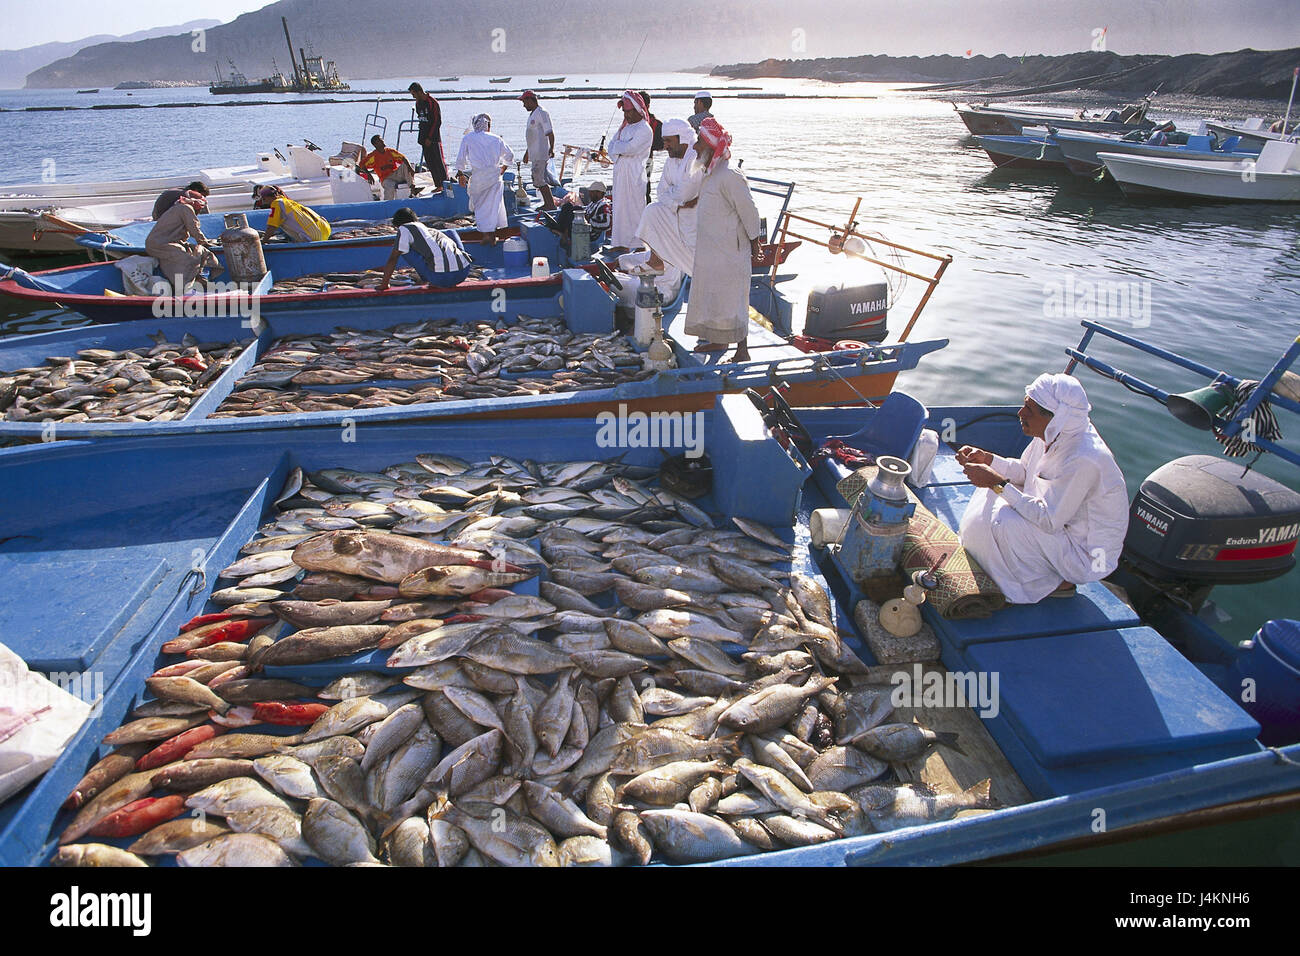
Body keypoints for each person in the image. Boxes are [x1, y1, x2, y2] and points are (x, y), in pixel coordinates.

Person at [956, 373, 1130, 604]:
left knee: (1006, 519)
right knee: (992, 491)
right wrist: (989, 460)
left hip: (1088, 555)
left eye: (1030, 409)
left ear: (1056, 418)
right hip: (1059, 525)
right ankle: (1009, 568)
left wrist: (996, 482)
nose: (1020, 413)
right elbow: (1025, 472)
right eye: (1024, 404)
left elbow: (1049, 520)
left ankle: (1049, 582)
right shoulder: (1053, 433)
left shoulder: (1085, 458)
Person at [686, 118, 763, 362]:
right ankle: (718, 342)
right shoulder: (710, 173)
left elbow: (750, 212)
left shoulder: (730, 175)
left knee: (735, 300)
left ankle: (742, 351)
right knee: (714, 297)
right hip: (712, 252)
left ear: (710, 145)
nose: (695, 147)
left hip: (731, 252)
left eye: (699, 142)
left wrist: (755, 243)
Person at [619, 118, 702, 296]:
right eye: (664, 141)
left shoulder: (695, 159)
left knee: (655, 210)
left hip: (694, 220)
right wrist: (677, 202)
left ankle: (658, 262)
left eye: (668, 141)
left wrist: (676, 197)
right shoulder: (671, 161)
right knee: (652, 209)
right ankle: (656, 260)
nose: (665, 146)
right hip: (678, 213)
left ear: (682, 139)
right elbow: (661, 191)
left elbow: (686, 193)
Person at [377, 206, 472, 291]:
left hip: (440, 278)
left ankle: (426, 279)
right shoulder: (432, 231)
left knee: (403, 249)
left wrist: (384, 284)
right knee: (451, 232)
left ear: (399, 224)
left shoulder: (404, 228)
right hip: (463, 273)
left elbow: (393, 258)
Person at [144, 189, 222, 292]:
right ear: (194, 202)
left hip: (171, 242)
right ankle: (185, 288)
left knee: (201, 253)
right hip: (160, 244)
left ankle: (200, 281)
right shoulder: (186, 208)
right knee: (188, 260)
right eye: (201, 203)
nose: (202, 206)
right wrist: (204, 242)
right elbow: (193, 228)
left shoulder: (179, 208)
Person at [604, 90, 653, 253]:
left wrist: (619, 148)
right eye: (624, 111)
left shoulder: (645, 129)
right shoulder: (624, 129)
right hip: (620, 173)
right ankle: (620, 243)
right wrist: (620, 149)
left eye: (628, 111)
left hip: (634, 174)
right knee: (619, 207)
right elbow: (611, 148)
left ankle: (638, 245)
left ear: (638, 109)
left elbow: (631, 148)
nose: (626, 115)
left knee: (634, 208)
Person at [455, 113, 514, 244]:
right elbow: (510, 155)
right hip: (494, 176)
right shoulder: (496, 139)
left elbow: (461, 158)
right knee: (493, 206)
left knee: (481, 207)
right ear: (488, 125)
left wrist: (460, 174)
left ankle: (488, 235)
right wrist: (503, 169)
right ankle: (491, 234)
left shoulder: (468, 138)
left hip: (479, 177)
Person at [520, 90, 556, 210]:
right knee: (536, 179)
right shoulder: (532, 115)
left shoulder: (542, 113)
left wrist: (552, 148)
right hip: (534, 152)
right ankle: (548, 203)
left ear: (530, 100)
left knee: (539, 179)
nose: (524, 105)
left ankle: (550, 204)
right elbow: (532, 137)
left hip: (541, 152)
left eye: (524, 102)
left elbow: (549, 132)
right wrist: (527, 153)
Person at [254, 185, 331, 242]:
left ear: (265, 197)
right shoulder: (288, 202)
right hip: (325, 231)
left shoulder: (276, 204)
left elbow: (272, 226)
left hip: (314, 236)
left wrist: (263, 241)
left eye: (263, 198)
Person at [549, 181, 612, 249]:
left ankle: (564, 234)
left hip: (590, 233)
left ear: (599, 193)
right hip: (582, 227)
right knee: (568, 206)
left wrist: (587, 220)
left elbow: (606, 224)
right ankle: (561, 230)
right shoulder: (593, 203)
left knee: (576, 211)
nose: (589, 194)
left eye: (592, 192)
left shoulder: (604, 206)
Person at [408, 82, 448, 189]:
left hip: (433, 139)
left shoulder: (432, 102)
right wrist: (423, 137)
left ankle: (445, 185)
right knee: (430, 162)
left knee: (439, 162)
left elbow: (437, 121)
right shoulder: (418, 104)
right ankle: (438, 185)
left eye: (414, 94)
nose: (413, 97)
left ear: (419, 92)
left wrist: (430, 137)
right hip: (423, 138)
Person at [360, 135, 422, 201]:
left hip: (395, 175)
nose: (383, 141)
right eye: (380, 140)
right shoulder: (373, 156)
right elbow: (361, 165)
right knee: (390, 187)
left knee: (405, 165)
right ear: (375, 144)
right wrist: (368, 174)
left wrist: (410, 168)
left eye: (382, 139)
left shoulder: (390, 151)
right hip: (385, 179)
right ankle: (387, 205)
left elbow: (403, 158)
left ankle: (413, 189)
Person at [640, 90, 663, 203]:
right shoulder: (656, 123)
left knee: (645, 188)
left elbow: (662, 144)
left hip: (647, 160)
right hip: (647, 159)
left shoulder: (655, 123)